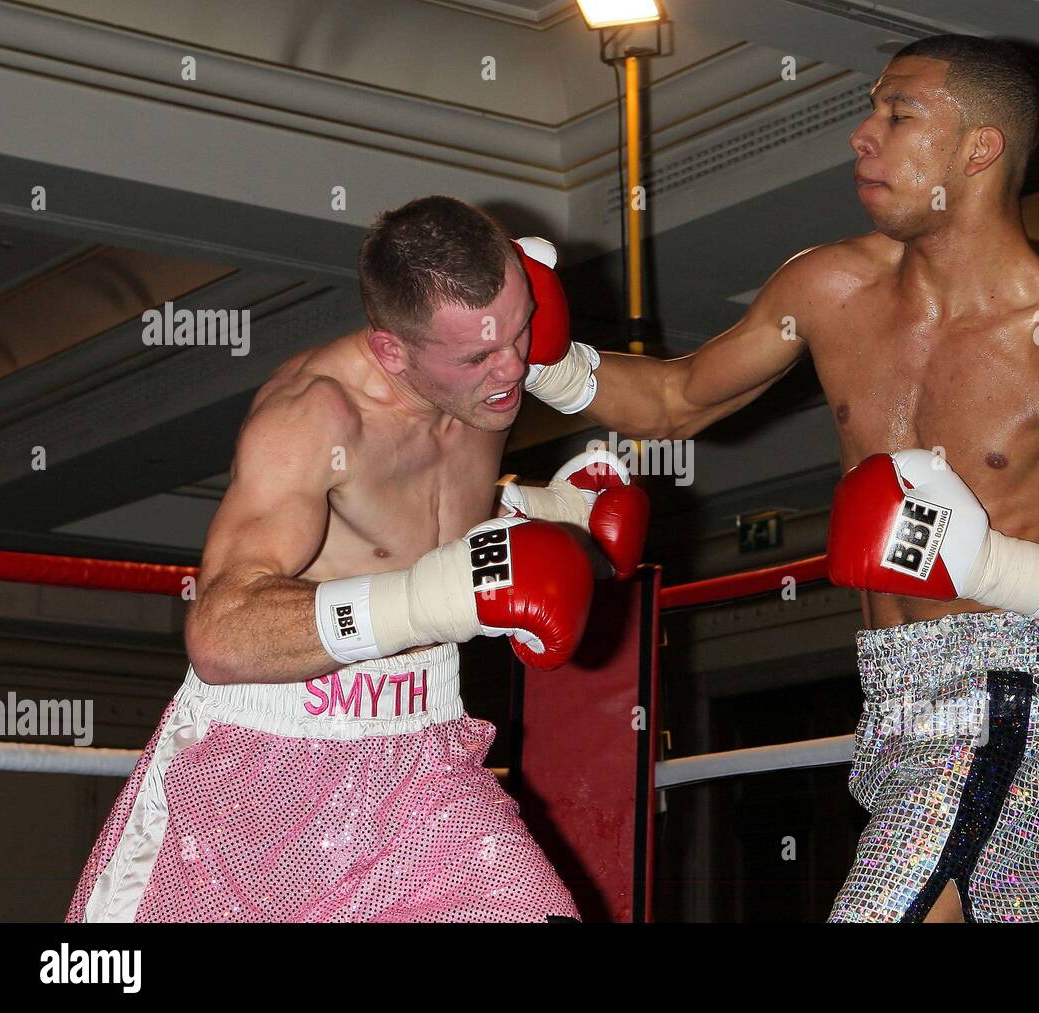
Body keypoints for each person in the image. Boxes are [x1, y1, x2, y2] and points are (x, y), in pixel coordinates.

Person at [520, 35, 1039, 922]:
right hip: (888, 692)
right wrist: (548, 360)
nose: (860, 135)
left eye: (898, 114)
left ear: (978, 150)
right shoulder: (827, 286)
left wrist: (981, 564)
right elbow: (678, 397)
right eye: (872, 108)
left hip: (1006, 689)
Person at [67, 197, 647, 923]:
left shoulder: (489, 371)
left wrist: (545, 513)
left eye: (523, 328)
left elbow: (421, 526)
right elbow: (220, 634)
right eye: (477, 358)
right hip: (260, 778)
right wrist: (432, 601)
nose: (514, 367)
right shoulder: (313, 417)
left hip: (422, 758)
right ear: (392, 351)